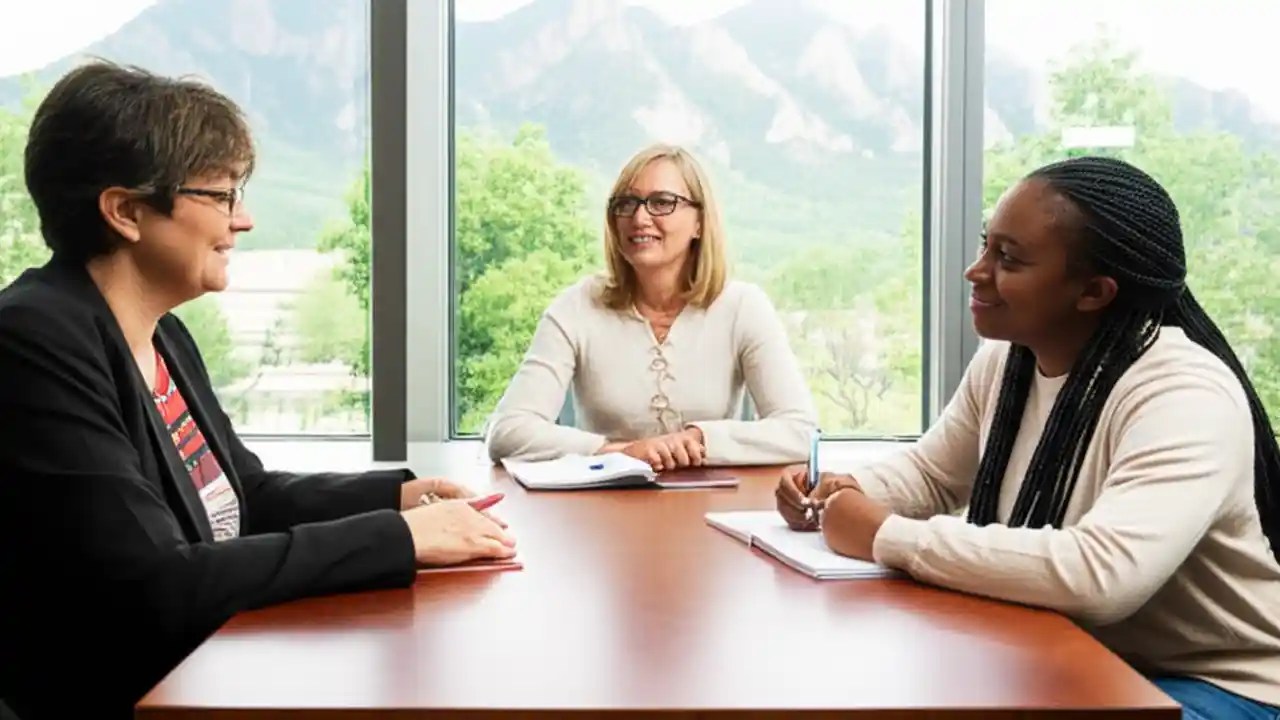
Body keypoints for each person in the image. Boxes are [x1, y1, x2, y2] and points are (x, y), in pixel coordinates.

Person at [0, 62, 516, 720]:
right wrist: (401, 538)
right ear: (125, 210)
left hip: (201, 672)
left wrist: (399, 494)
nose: (242, 220)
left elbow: (247, 497)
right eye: (220, 196)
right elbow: (152, 584)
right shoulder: (33, 341)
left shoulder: (164, 337)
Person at [778, 156, 1280, 719]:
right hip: (1079, 657)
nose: (976, 271)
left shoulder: (1184, 394)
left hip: (1220, 686)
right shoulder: (1007, 361)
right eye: (985, 245)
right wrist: (839, 492)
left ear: (1093, 291)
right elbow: (933, 474)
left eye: (1008, 259)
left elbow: (1101, 573)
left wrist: (884, 535)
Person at [483, 143, 817, 469]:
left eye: (662, 202)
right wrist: (617, 452)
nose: (640, 217)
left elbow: (800, 431)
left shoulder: (744, 306)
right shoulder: (576, 307)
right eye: (626, 203)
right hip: (600, 507)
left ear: (700, 222)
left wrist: (699, 440)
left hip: (713, 508)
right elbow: (507, 431)